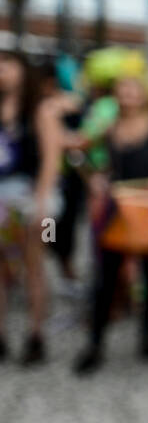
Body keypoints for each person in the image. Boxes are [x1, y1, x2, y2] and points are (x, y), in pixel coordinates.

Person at [75, 64, 148, 374]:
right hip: (116, 208)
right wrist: (95, 178)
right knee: (104, 276)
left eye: (133, 87)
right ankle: (95, 343)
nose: (127, 93)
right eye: (122, 87)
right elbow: (87, 158)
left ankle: (147, 338)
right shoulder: (108, 128)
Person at [0, 50, 64, 364]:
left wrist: (40, 203)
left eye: (8, 64)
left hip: (28, 197)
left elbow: (52, 159)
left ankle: (35, 334)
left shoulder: (39, 109)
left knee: (32, 267)